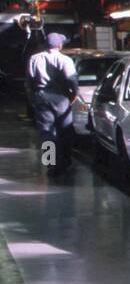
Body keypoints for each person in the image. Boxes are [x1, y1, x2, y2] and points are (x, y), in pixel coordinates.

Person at [26, 32, 79, 177]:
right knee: (65, 131)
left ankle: (50, 164)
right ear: (60, 45)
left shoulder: (34, 59)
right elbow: (72, 80)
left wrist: (33, 98)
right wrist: (74, 95)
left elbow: (29, 82)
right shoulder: (65, 60)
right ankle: (66, 161)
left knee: (46, 132)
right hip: (61, 98)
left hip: (41, 97)